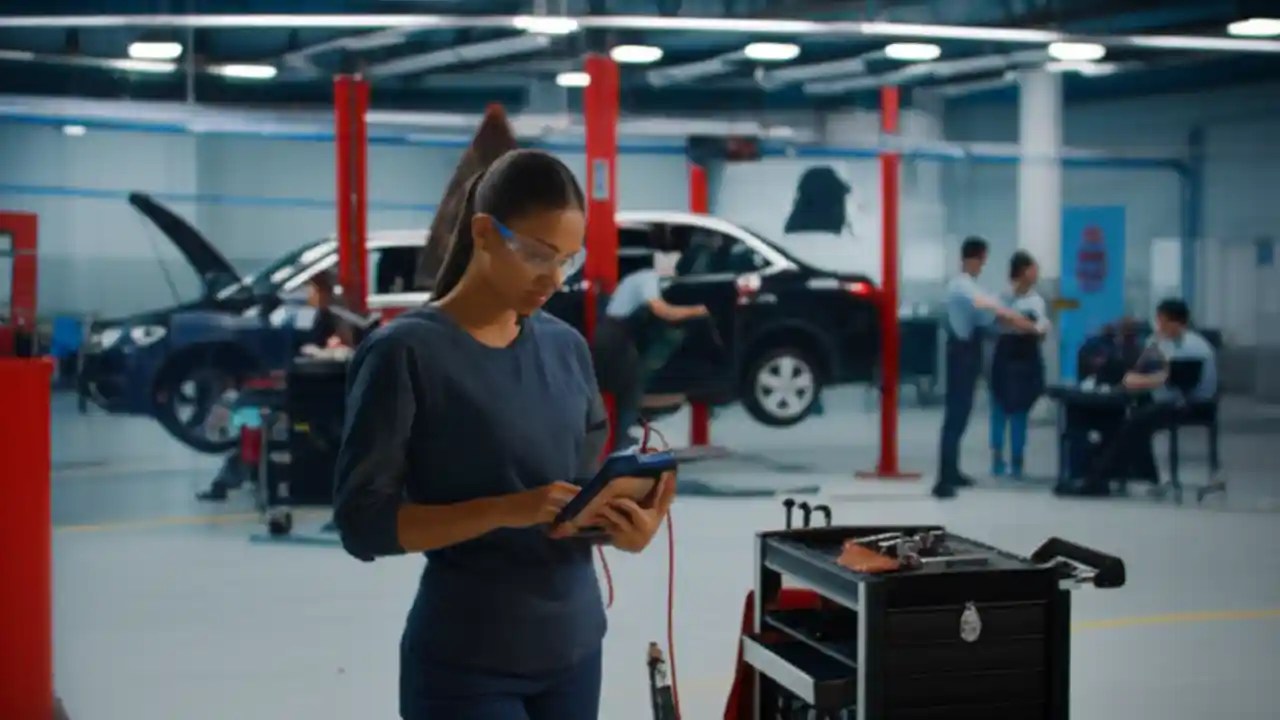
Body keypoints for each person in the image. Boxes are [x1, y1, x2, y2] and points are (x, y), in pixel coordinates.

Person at [333, 149, 678, 720]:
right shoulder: (406, 352)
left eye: (569, 259)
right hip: (468, 663)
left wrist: (622, 528)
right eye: (539, 255)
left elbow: (575, 498)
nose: (556, 278)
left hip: (574, 647)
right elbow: (362, 523)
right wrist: (504, 509)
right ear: (485, 234)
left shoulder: (566, 348)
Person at [1062, 298, 1217, 497]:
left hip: (1191, 404)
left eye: (1162, 320)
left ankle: (1097, 479)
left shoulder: (1192, 347)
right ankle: (1110, 475)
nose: (1158, 325)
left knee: (1135, 423)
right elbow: (1143, 369)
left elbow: (1173, 379)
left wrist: (1140, 380)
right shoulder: (1165, 342)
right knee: (1115, 418)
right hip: (1167, 399)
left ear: (1176, 322)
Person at [935, 237, 1038, 499]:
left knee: (963, 412)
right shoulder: (961, 286)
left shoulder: (971, 286)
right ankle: (943, 478)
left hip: (969, 352)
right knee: (955, 415)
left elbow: (989, 320)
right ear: (974, 258)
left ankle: (953, 471)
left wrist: (1016, 322)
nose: (983, 266)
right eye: (982, 260)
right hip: (959, 353)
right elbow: (988, 307)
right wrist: (1017, 318)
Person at [593, 237, 710, 452]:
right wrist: (696, 311)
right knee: (630, 387)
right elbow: (661, 310)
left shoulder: (638, 278)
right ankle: (619, 442)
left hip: (612, 336)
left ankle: (617, 439)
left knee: (621, 388)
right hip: (615, 339)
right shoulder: (649, 278)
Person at [989, 251, 1050, 479]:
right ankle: (996, 458)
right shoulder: (1002, 296)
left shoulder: (1037, 300)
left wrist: (1023, 324)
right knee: (999, 409)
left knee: (1020, 410)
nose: (1036, 274)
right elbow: (999, 321)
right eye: (1033, 269)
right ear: (1023, 271)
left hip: (1027, 356)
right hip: (1005, 355)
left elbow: (1040, 330)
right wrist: (1027, 324)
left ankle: (1017, 460)